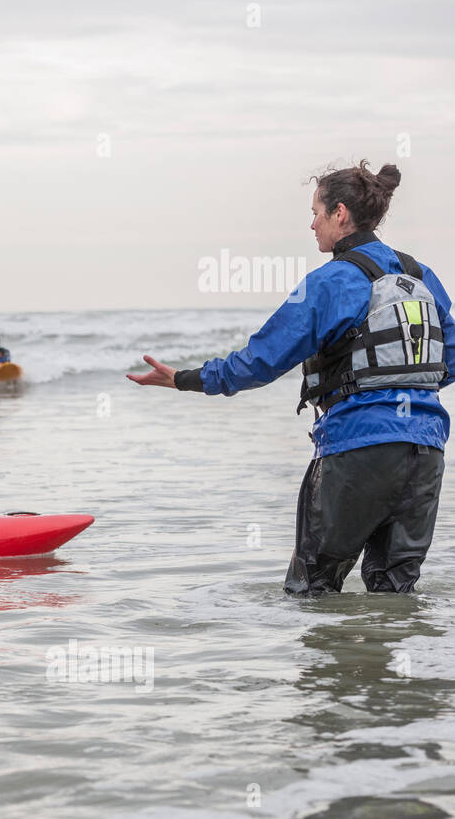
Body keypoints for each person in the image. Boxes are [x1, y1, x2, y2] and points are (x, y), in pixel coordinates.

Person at [128, 161, 454, 594]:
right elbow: (446, 357)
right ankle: (386, 660)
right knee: (395, 590)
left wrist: (187, 379)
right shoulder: (420, 275)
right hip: (426, 452)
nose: (312, 223)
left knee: (311, 586)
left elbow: (262, 360)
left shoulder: (331, 281)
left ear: (340, 213)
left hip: (357, 448)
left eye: (316, 212)